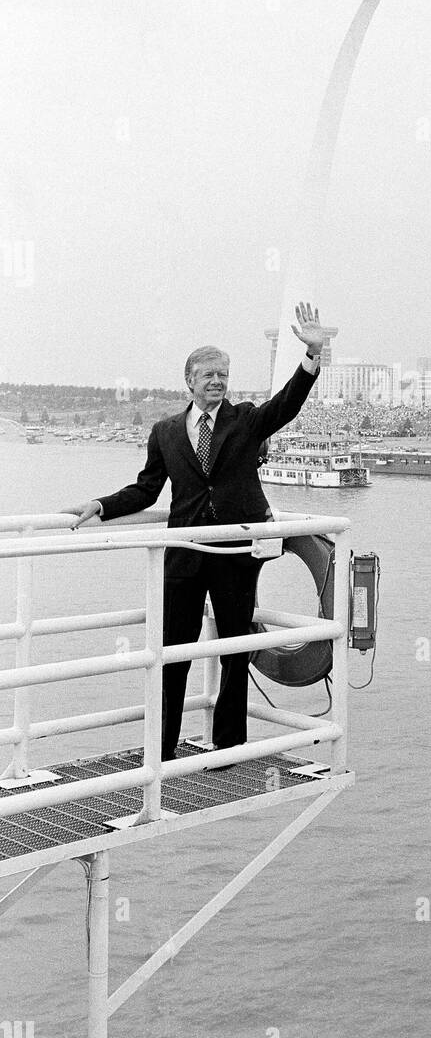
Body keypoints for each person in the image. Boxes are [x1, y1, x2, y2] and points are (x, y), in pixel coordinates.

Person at [63, 302, 326, 761]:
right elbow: (146, 491)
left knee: (234, 651)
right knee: (172, 654)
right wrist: (101, 505)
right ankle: (162, 748)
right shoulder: (165, 431)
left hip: (234, 554)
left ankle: (229, 743)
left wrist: (312, 356)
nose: (217, 381)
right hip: (184, 555)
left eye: (223, 374)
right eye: (208, 375)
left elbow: (287, 404)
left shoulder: (246, 420)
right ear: (189, 381)